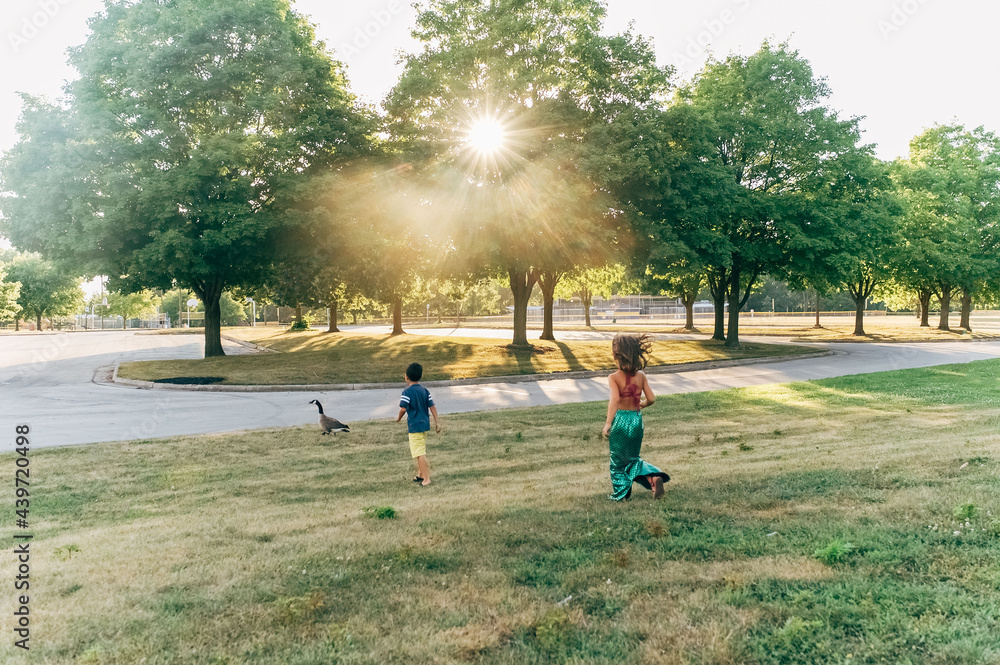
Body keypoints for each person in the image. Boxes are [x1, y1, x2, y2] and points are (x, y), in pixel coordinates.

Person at [601, 334, 669, 501]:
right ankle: (653, 478)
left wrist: (608, 422)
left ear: (616, 355)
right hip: (636, 420)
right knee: (633, 458)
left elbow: (615, 400)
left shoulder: (614, 377)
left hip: (621, 421)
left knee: (617, 460)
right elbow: (652, 399)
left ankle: (621, 494)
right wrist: (642, 405)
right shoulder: (641, 376)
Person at [395, 362, 440, 486]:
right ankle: (420, 474)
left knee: (419, 453)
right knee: (420, 449)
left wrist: (398, 419)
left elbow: (403, 409)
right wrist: (437, 422)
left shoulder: (407, 392)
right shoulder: (424, 391)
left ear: (406, 377)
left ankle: (426, 478)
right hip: (425, 425)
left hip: (415, 427)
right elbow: (432, 407)